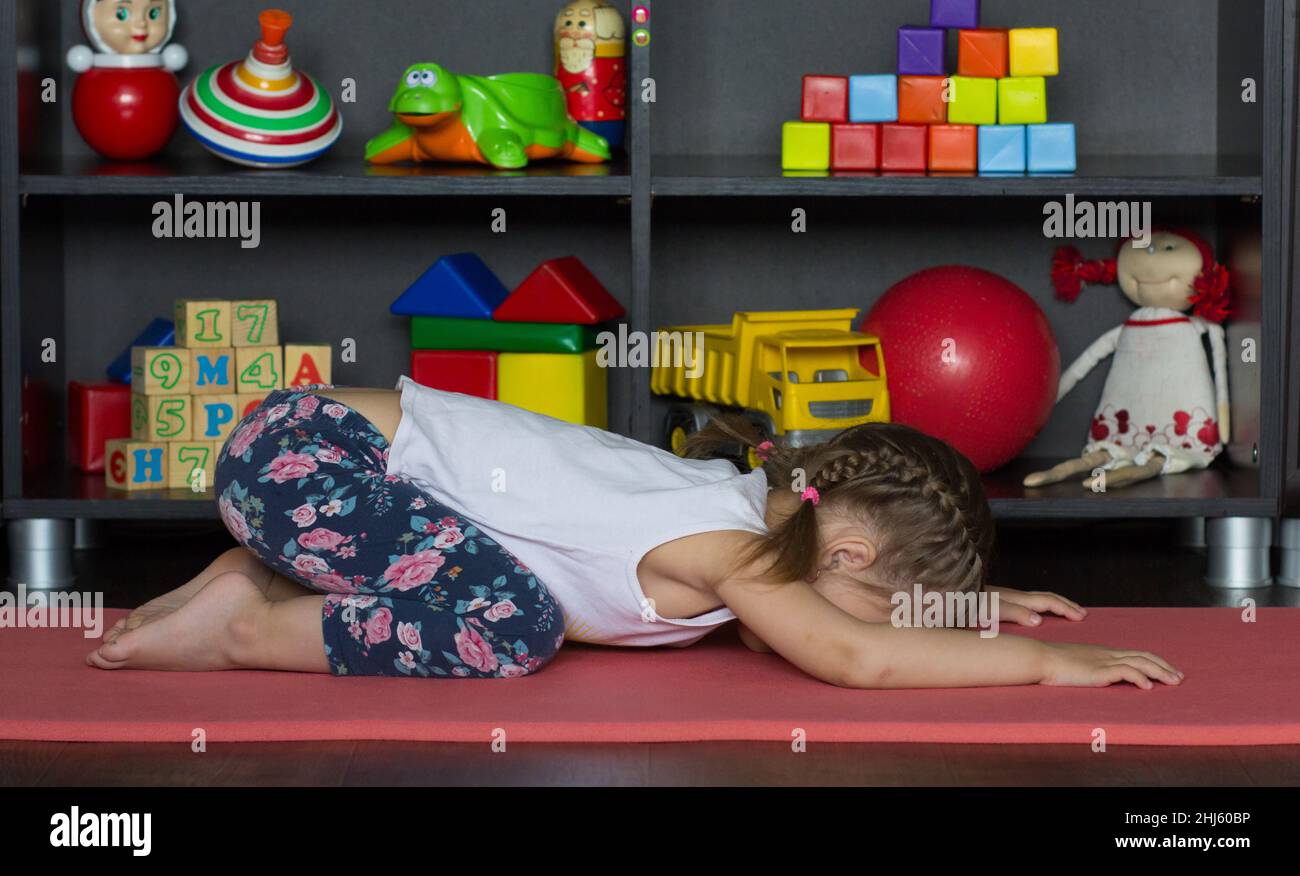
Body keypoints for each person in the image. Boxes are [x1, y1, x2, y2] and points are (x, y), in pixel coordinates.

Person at [87, 378, 1182, 689]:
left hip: (298, 462)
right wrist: (1044, 661)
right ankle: (249, 623)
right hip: (312, 466)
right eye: (889, 590)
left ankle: (260, 566)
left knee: (492, 589)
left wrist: (969, 604)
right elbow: (852, 650)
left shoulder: (742, 506)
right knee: (513, 624)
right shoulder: (734, 550)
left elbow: (816, 620)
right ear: (841, 557)